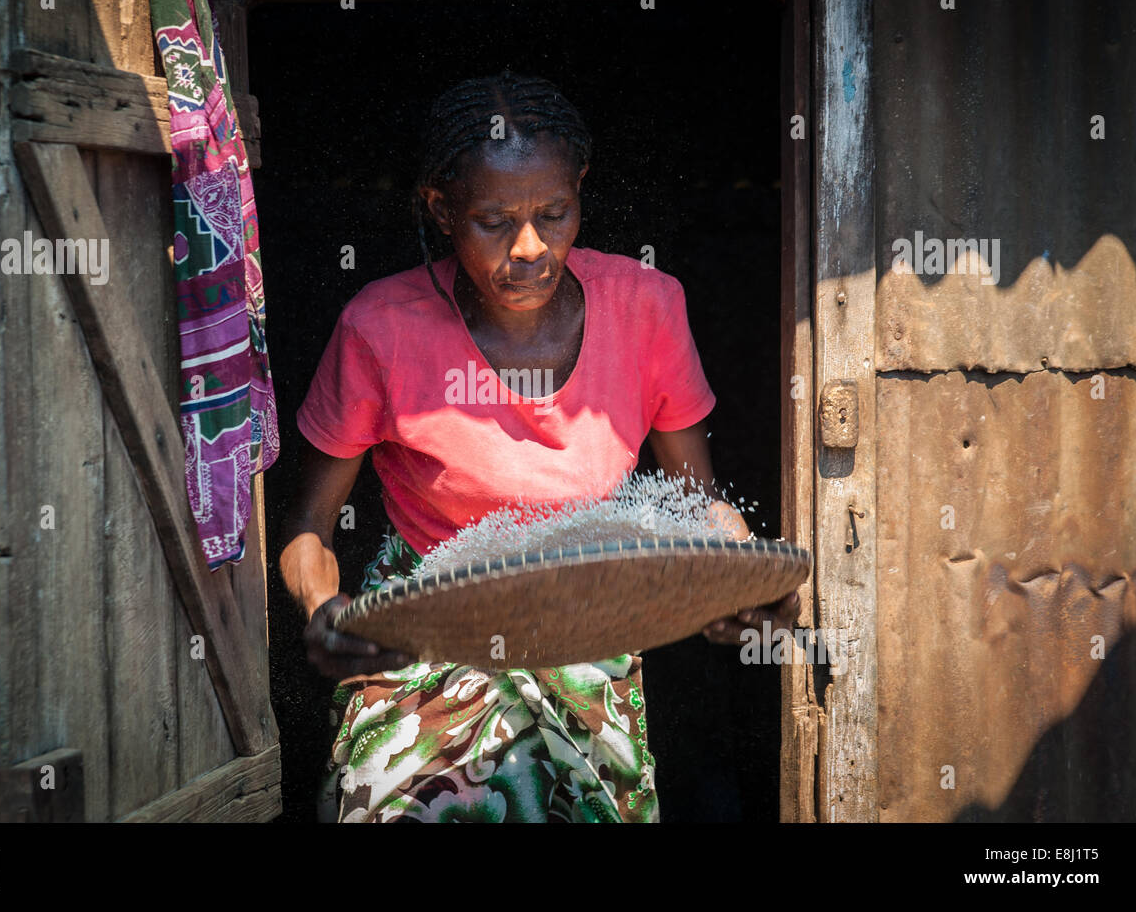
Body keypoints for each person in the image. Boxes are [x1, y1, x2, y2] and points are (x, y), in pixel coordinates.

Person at [279, 72, 798, 823]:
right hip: (428, 624)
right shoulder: (380, 328)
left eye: (555, 213)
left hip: (590, 618)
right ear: (441, 209)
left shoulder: (649, 306)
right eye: (493, 221)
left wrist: (740, 575)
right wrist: (325, 608)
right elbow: (307, 529)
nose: (530, 248)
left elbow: (697, 503)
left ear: (581, 191)